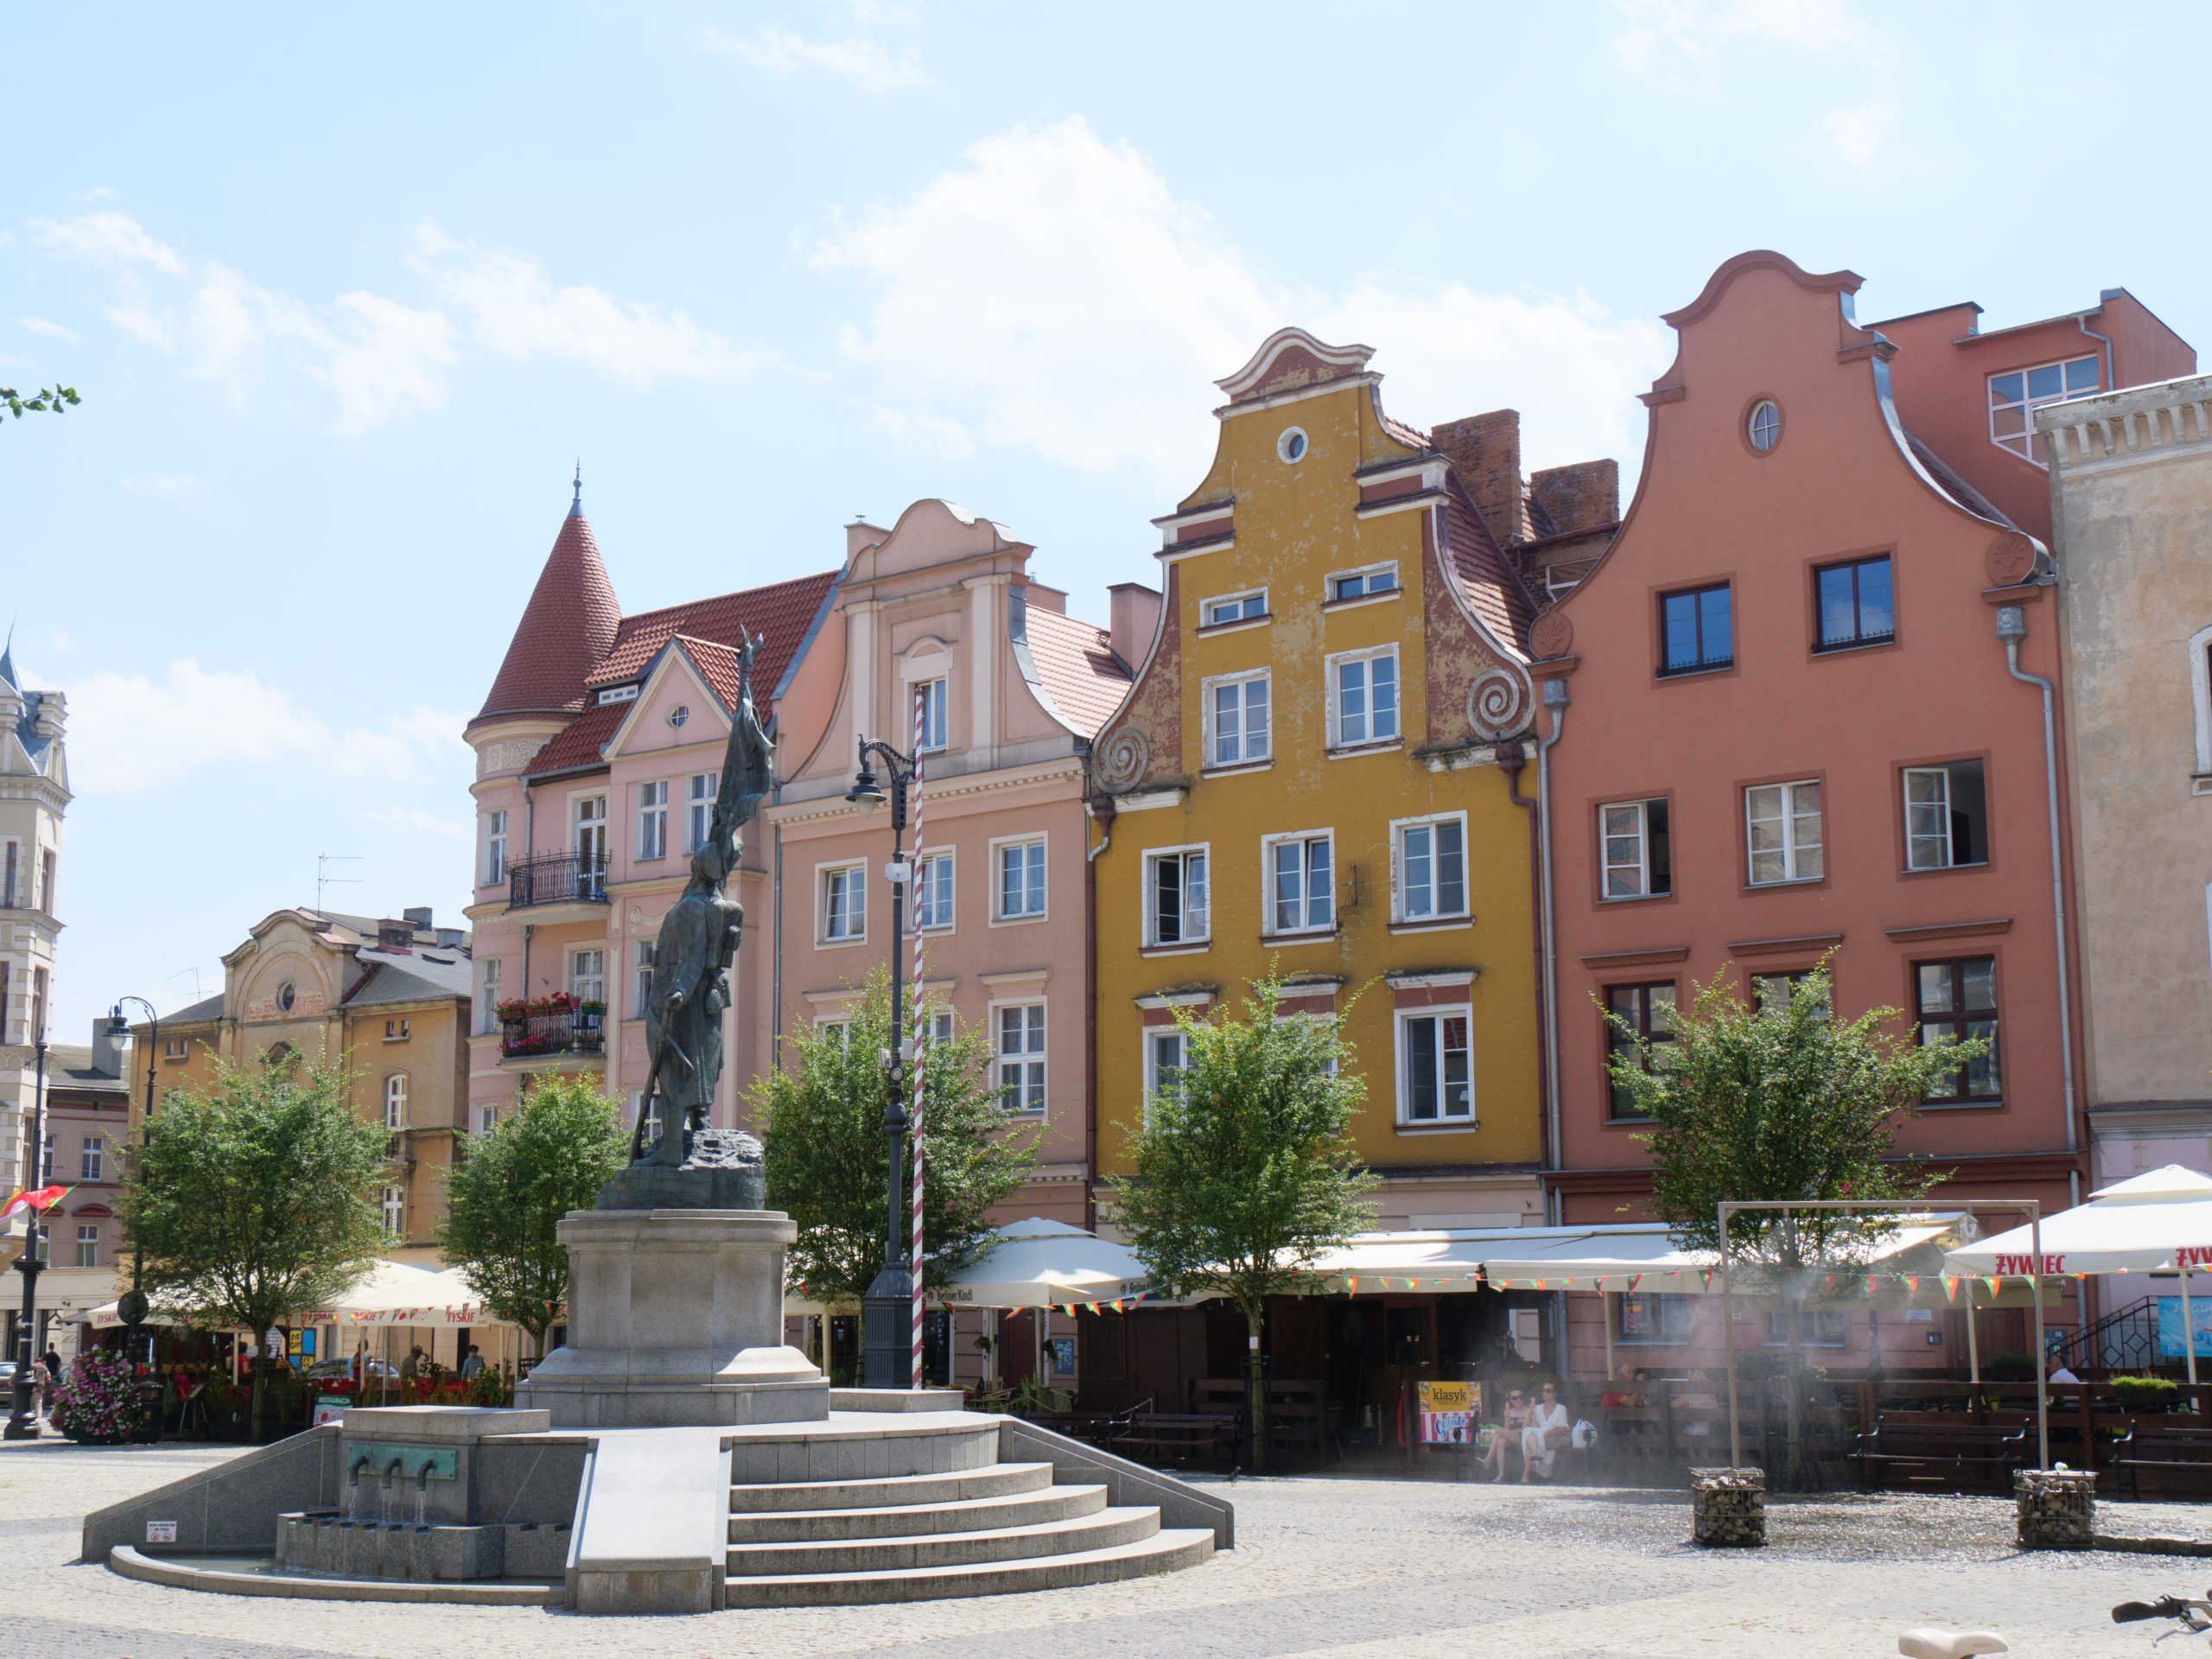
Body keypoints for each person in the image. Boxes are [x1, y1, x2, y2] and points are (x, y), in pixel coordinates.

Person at [1520, 1379, 1573, 1482]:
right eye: (1544, 1390)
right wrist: (1533, 1413)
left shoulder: (1561, 1408)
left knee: (1529, 1436)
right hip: (1538, 1435)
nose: (1545, 1393)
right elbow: (1535, 1427)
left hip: (1551, 1436)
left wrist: (1550, 1431)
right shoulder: (1538, 1408)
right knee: (1527, 1431)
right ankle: (1535, 1453)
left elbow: (1562, 1428)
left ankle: (1526, 1475)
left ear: (1554, 1394)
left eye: (1549, 1391)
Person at [1484, 1388, 1529, 1482]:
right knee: (1501, 1441)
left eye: (1520, 1397)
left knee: (1498, 1431)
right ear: (1510, 1400)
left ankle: (1488, 1460)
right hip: (1512, 1437)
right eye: (1515, 1398)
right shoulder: (1509, 1411)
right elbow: (1506, 1429)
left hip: (1523, 1438)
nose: (1518, 1400)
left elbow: (1525, 1429)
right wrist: (1507, 1417)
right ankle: (1501, 1474)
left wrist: (1514, 1431)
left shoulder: (1527, 1410)